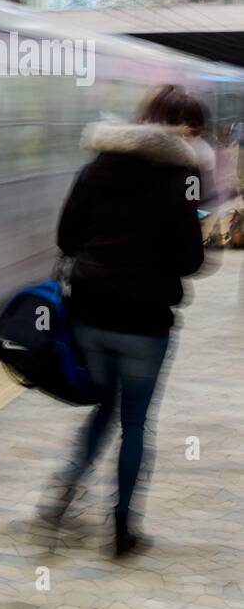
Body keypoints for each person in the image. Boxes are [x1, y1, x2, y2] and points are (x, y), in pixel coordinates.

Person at [43, 84, 207, 556]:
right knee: (135, 423)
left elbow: (66, 236)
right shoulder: (183, 177)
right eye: (193, 131)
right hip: (146, 318)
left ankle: (62, 496)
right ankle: (121, 530)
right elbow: (190, 258)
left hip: (91, 311)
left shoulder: (97, 165)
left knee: (103, 408)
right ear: (180, 128)